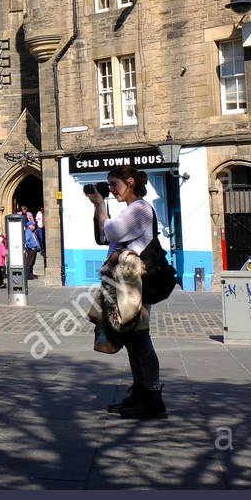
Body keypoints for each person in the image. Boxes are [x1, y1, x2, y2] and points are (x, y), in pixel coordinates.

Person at [87, 165, 167, 420]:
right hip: (123, 283)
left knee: (140, 339)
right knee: (132, 341)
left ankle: (153, 397)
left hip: (136, 283)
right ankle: (141, 391)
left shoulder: (140, 209)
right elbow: (103, 236)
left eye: (114, 184)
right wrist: (98, 206)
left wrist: (100, 204)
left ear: (130, 182)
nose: (111, 190)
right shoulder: (129, 211)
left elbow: (111, 231)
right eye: (109, 186)